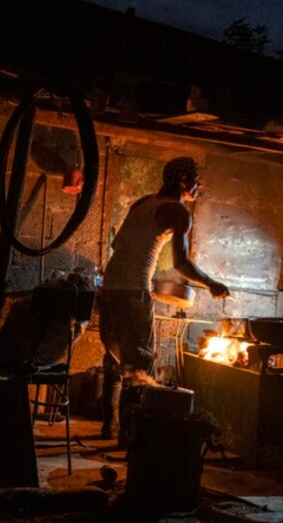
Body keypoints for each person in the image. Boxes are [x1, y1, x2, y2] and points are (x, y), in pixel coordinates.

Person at [98, 156, 230, 440]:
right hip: (133, 292)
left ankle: (108, 427)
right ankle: (131, 439)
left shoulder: (142, 203)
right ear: (183, 182)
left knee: (113, 361)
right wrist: (211, 283)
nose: (198, 187)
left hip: (109, 290)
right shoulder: (179, 212)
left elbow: (118, 245)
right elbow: (182, 264)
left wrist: (147, 270)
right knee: (138, 366)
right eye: (195, 180)